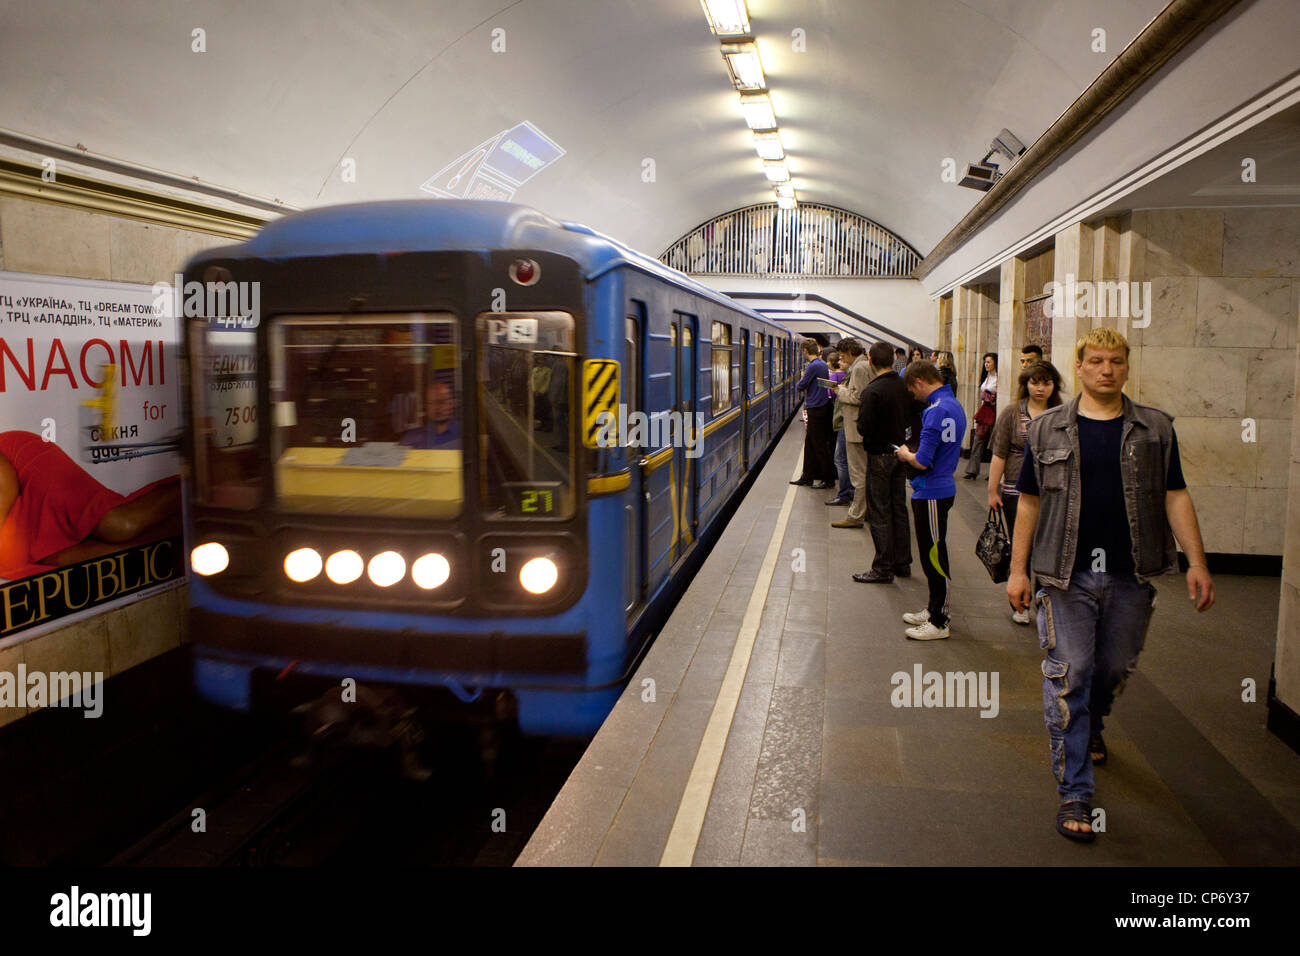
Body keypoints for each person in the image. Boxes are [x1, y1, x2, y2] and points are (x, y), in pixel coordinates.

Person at [1007, 328, 1214, 842]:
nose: (1106, 370)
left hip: (1129, 574)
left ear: (1126, 367)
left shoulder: (1156, 429)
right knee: (1070, 672)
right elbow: (1029, 502)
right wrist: (1017, 569)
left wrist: (1198, 562)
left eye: (1115, 362)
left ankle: (1093, 719)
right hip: (1063, 574)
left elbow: (1175, 496)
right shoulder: (1048, 429)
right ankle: (1075, 789)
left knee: (1112, 667)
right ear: (1078, 367)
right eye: (1096, 361)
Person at [0, 430, 181, 578]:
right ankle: (182, 525)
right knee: (85, 559)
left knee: (120, 525)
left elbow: (5, 483)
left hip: (15, 471)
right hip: (15, 533)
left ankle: (196, 482)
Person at [892, 362, 965, 639]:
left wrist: (905, 454)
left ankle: (939, 620)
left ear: (920, 381)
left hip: (932, 490)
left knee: (934, 555)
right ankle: (934, 607)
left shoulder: (934, 412)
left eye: (912, 389)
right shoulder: (953, 404)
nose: (913, 395)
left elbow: (922, 460)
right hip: (940, 488)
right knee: (932, 551)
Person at [987, 361, 1063, 623]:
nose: (1040, 388)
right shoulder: (1012, 413)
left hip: (1051, 492)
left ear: (1054, 386)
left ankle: (1045, 600)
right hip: (1014, 489)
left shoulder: (1061, 414)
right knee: (1022, 547)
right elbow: (999, 453)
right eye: (1035, 382)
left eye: (1046, 383)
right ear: (1026, 385)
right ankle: (1021, 603)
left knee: (1047, 548)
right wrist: (992, 490)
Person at [851, 342, 918, 581]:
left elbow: (864, 427)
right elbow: (914, 419)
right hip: (901, 455)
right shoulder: (905, 387)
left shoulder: (872, 391)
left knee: (879, 511)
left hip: (879, 456)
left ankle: (882, 568)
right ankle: (903, 562)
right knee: (899, 508)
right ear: (891, 360)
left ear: (870, 361)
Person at [830, 338, 872, 524]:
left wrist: (840, 390)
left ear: (848, 351)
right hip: (856, 425)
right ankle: (862, 511)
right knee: (860, 472)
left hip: (855, 427)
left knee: (858, 474)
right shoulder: (862, 365)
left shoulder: (860, 367)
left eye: (841, 355)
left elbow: (858, 397)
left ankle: (856, 515)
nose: (840, 358)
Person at [790, 340, 837, 488]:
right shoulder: (822, 364)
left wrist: (803, 381)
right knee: (810, 444)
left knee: (818, 445)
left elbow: (801, 385)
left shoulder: (813, 366)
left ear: (805, 350)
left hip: (815, 408)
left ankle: (828, 480)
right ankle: (807, 476)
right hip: (820, 406)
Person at [964, 353, 998, 479]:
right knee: (978, 440)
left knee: (993, 443)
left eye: (989, 362)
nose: (986, 364)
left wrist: (990, 397)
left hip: (993, 412)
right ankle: (972, 470)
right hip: (984, 412)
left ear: (995, 362)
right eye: (985, 362)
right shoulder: (987, 377)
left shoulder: (997, 378)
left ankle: (994, 472)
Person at [400, 381, 461, 449]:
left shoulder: (466, 436)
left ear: (452, 403)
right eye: (432, 403)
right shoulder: (411, 438)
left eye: (442, 402)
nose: (437, 407)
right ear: (426, 406)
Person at [827, 351, 853, 506]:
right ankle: (846, 491)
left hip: (845, 421)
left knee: (840, 459)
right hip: (844, 421)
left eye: (842, 359)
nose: (840, 362)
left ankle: (844, 493)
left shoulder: (853, 373)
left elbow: (853, 397)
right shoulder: (849, 374)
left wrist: (840, 390)